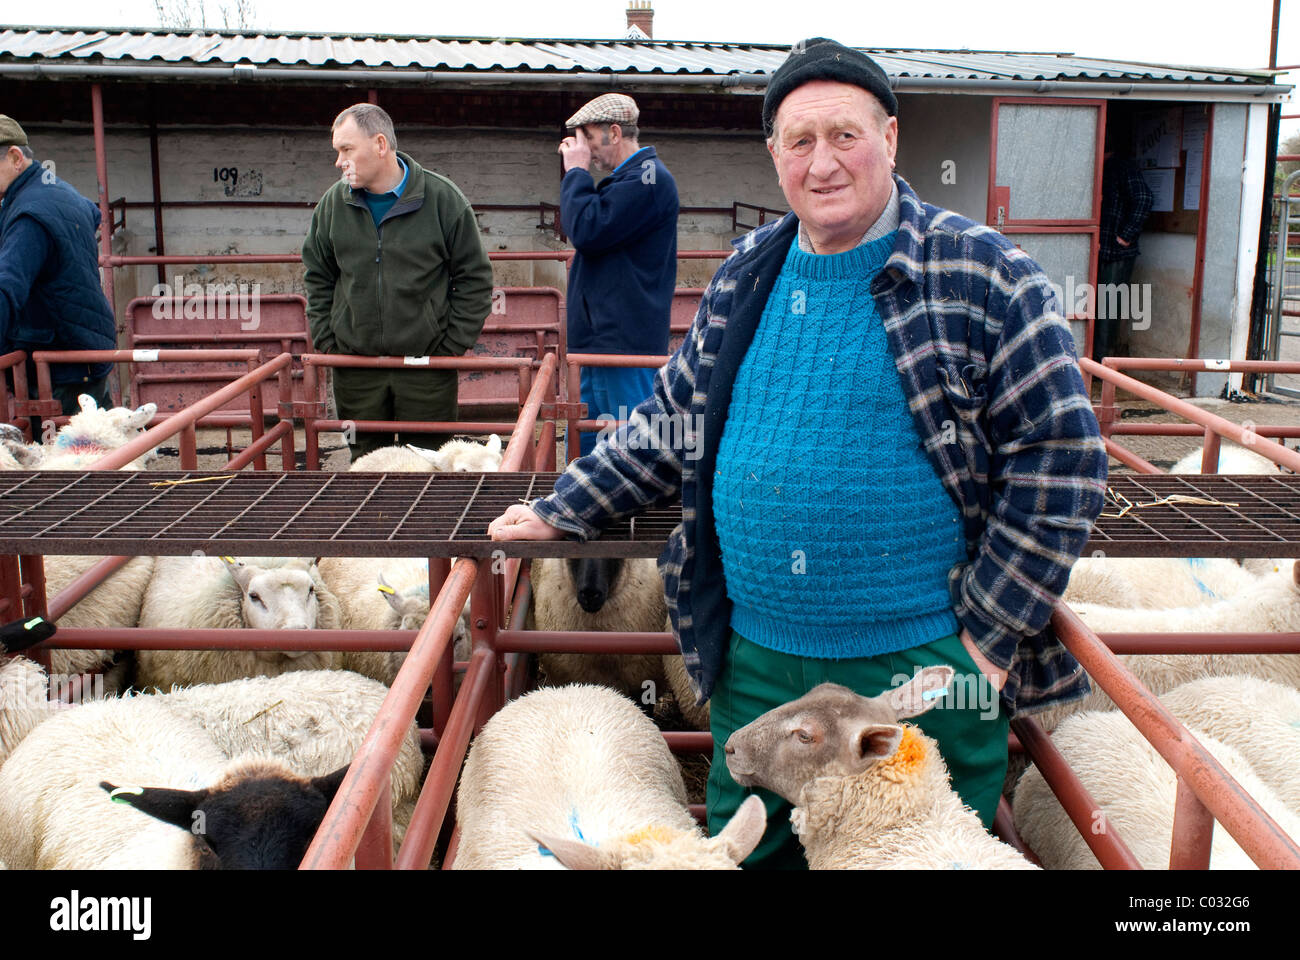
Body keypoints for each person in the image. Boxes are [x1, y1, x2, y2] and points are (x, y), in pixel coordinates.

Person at [489, 38, 1107, 868]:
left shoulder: (986, 274)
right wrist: (568, 507)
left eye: (845, 135)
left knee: (920, 856)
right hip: (760, 658)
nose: (823, 162)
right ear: (774, 153)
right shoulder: (749, 271)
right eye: (800, 140)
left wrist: (989, 640)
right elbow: (674, 413)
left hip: (922, 668)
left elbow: (1060, 456)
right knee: (752, 855)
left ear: (890, 136)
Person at [302, 103, 494, 461]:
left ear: (379, 144)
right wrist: (330, 344)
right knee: (364, 461)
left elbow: (475, 277)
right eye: (337, 151)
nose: (339, 161)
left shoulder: (443, 200)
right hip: (355, 369)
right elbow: (318, 275)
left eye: (346, 150)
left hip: (426, 369)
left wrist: (450, 345)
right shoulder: (332, 205)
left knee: (427, 460)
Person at [557, 94, 679, 455]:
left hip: (624, 343)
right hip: (602, 340)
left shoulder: (648, 178)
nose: (587, 151)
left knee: (630, 446)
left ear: (614, 132)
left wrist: (576, 172)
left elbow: (587, 230)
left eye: (590, 140)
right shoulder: (630, 180)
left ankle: (637, 513)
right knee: (590, 443)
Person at [0, 115, 117, 415]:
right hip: (87, 350)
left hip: (58, 363)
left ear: (14, 157)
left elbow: (6, 287)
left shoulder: (30, 215)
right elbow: (93, 216)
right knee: (98, 451)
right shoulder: (57, 190)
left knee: (58, 456)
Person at [1094, 142, 1153, 360]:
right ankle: (1098, 360)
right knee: (1097, 303)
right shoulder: (1107, 168)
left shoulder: (1122, 167)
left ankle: (1103, 362)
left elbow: (1144, 199)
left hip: (1116, 254)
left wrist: (1125, 237)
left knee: (1108, 306)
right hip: (1104, 251)